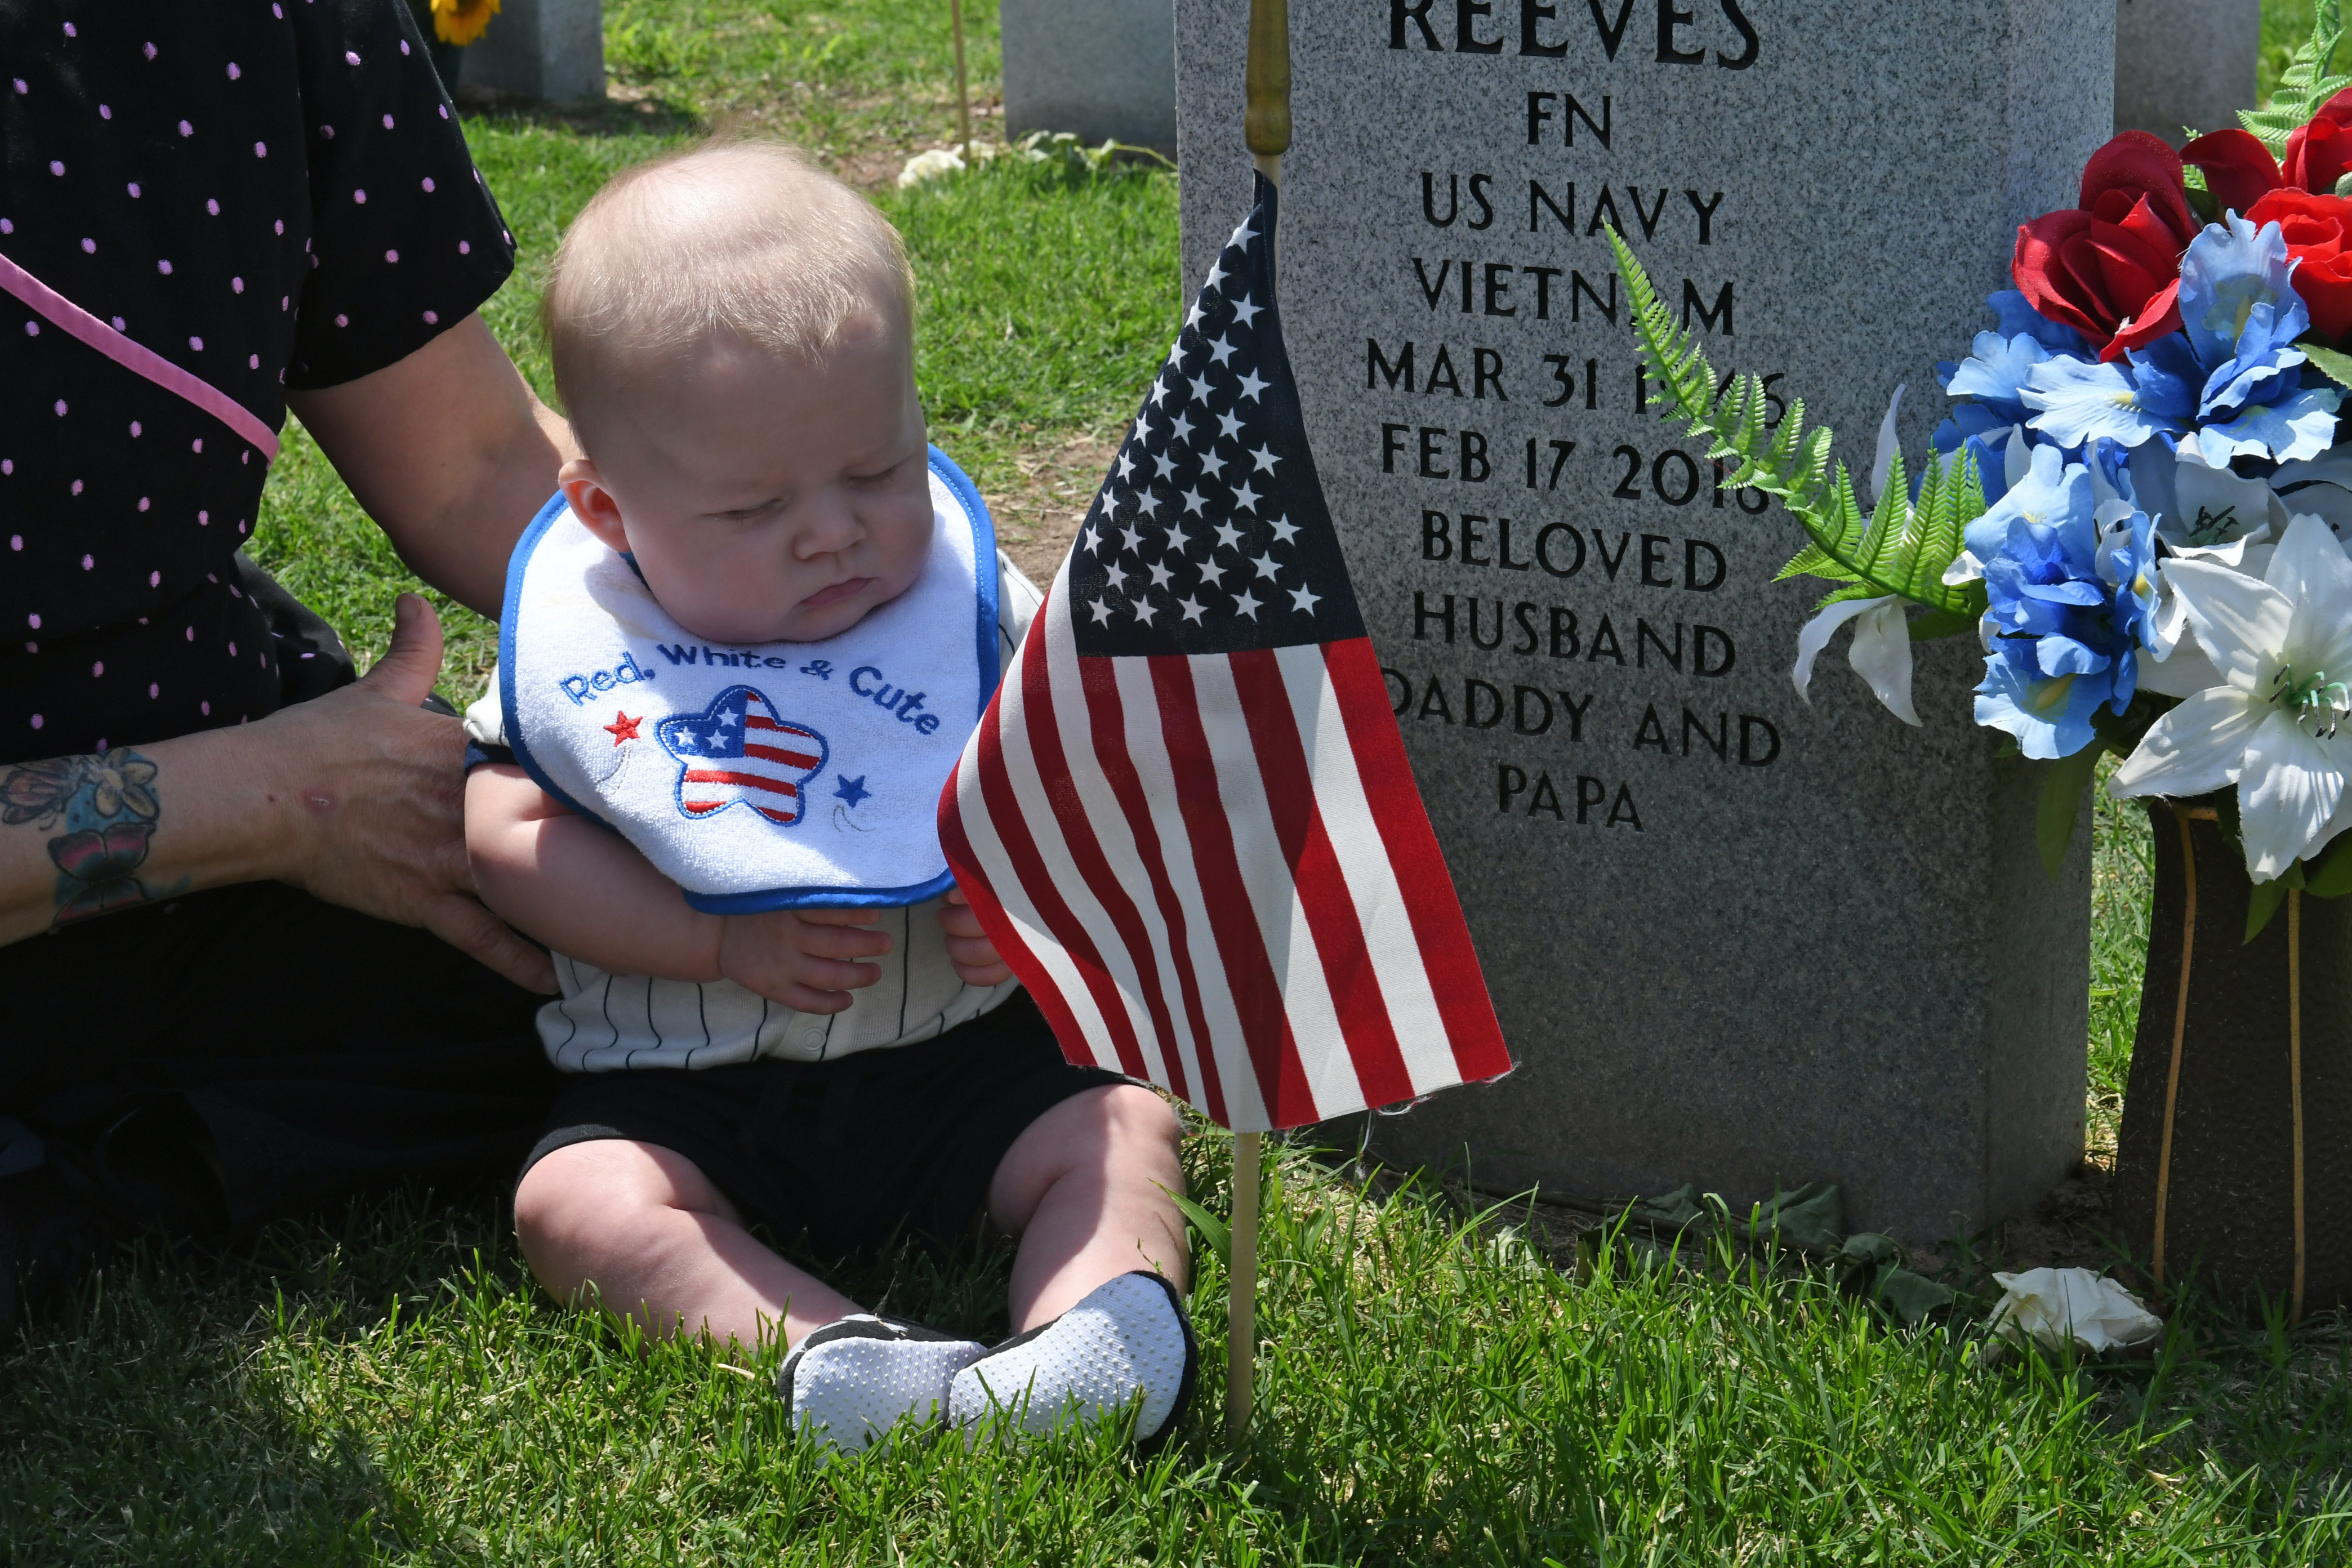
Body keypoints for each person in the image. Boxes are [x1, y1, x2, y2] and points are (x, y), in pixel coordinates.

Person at [461, 140, 1196, 1459]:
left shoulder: (963, 612)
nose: (834, 533)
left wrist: (1029, 901)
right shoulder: (592, 649)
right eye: (754, 507)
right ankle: (844, 1362)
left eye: (876, 472)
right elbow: (504, 839)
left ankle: (1098, 1331)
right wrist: (714, 941)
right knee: (580, 1206)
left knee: (1120, 1118)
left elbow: (1077, 773)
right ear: (607, 511)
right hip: (691, 1088)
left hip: (970, 1061)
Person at [0, 0, 571, 1324]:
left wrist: (824, 601)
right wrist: (283, 804)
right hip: (223, 802)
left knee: (626, 972)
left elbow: (477, 462)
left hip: (198, 766)